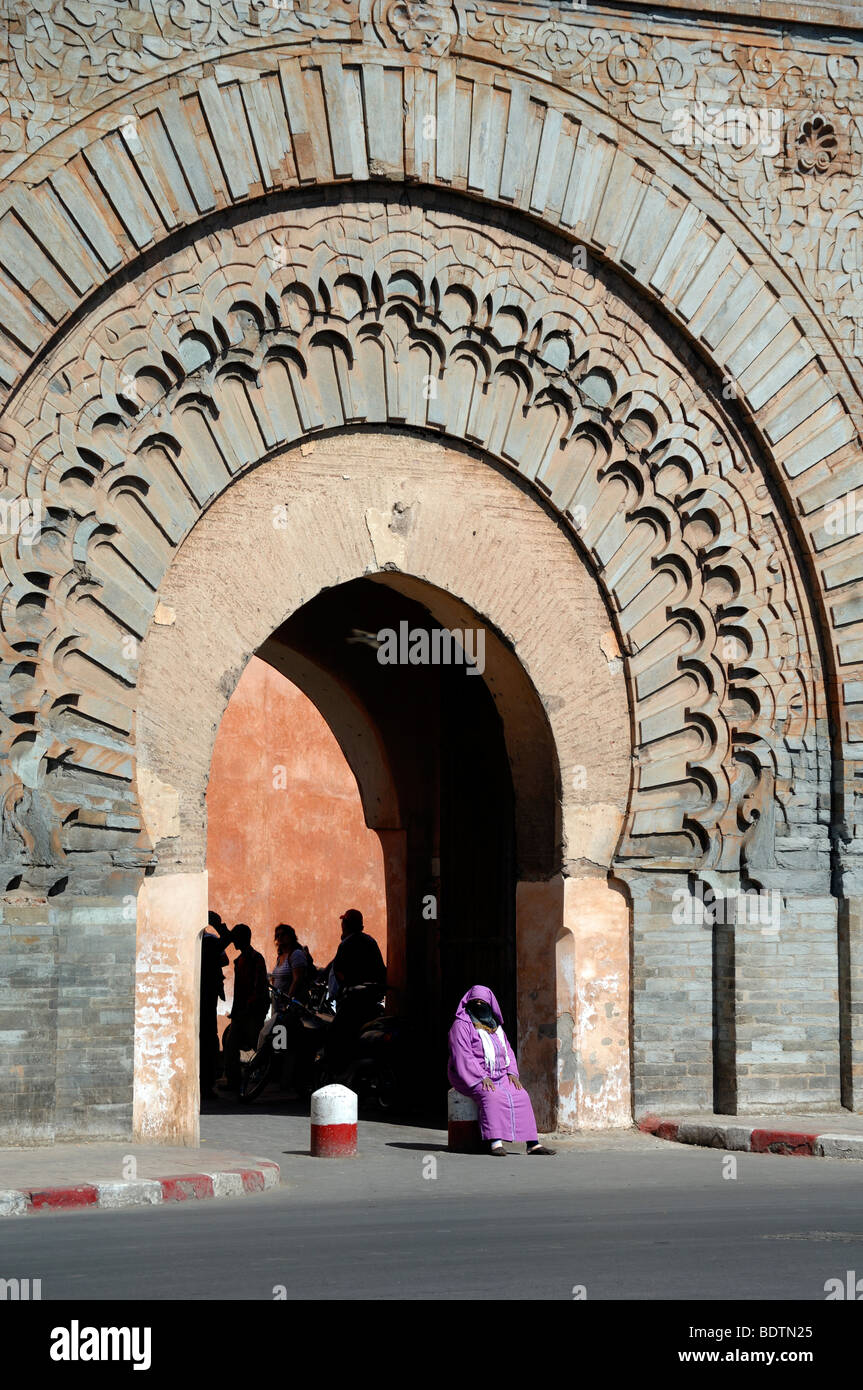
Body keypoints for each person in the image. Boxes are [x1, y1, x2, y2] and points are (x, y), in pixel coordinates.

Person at [448, 985, 556, 1156]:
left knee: (521, 1095)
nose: (479, 1005)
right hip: (472, 1076)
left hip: (500, 1074)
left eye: (482, 1002)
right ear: (468, 1004)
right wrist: (480, 1076)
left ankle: (532, 1143)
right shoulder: (461, 1025)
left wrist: (512, 1073)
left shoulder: (495, 1026)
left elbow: (508, 1051)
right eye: (475, 1002)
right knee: (492, 1095)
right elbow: (463, 1055)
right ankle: (495, 1142)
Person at [327, 909, 386, 1064]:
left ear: (346, 925)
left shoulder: (348, 944)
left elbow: (339, 970)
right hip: (370, 998)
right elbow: (381, 969)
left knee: (335, 1035)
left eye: (343, 923)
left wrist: (345, 985)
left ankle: (339, 1068)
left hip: (352, 1000)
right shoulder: (370, 941)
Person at [223, 924, 270, 1089]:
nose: (233, 941)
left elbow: (258, 988)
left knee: (256, 1044)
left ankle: (263, 1077)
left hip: (252, 1012)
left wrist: (248, 1008)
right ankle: (233, 1082)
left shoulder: (255, 959)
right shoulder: (241, 960)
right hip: (242, 1011)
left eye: (235, 937)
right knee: (231, 1045)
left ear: (243, 938)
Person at [199, 913, 230, 1100]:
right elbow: (226, 946)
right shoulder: (210, 940)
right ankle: (207, 1083)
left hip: (202, 993)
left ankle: (206, 1082)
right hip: (208, 994)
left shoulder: (205, 940)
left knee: (206, 1038)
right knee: (209, 1037)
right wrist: (219, 925)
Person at [272, 923, 309, 1004]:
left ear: (291, 936)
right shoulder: (280, 957)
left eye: (283, 934)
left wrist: (288, 999)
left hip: (290, 1006)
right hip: (279, 1004)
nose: (280, 937)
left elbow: (297, 979)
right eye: (277, 935)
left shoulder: (296, 954)